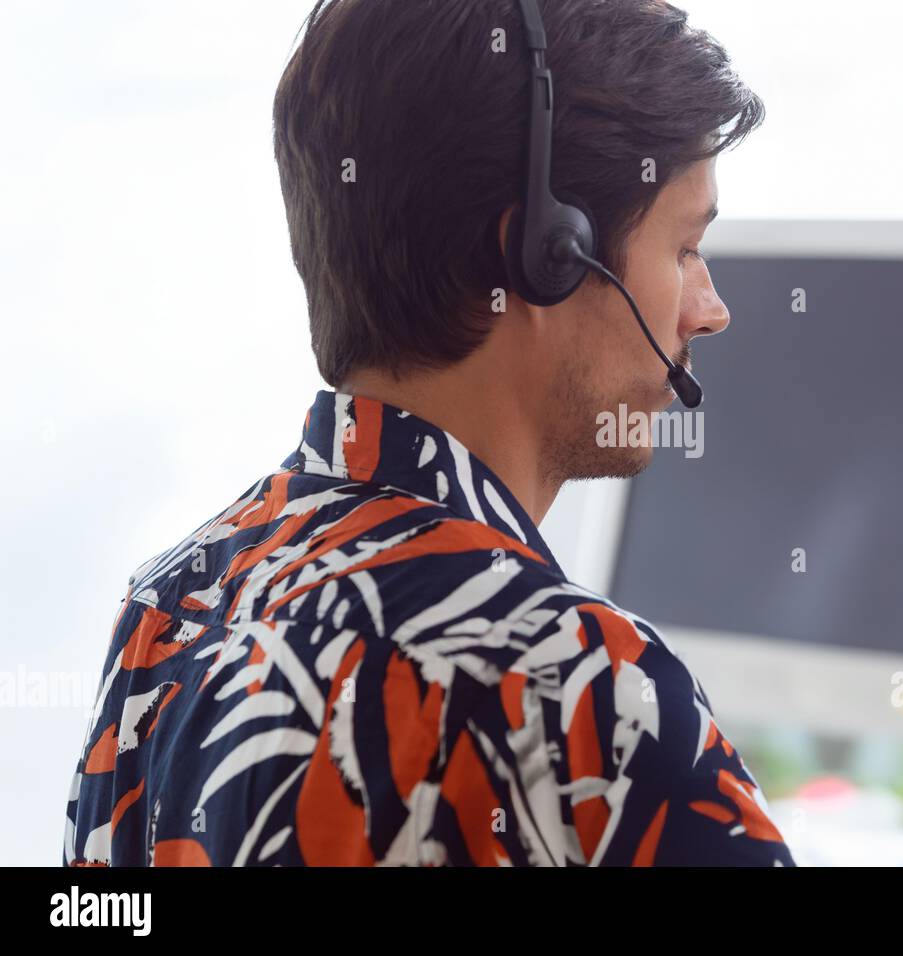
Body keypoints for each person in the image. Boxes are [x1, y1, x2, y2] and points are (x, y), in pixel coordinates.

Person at [62, 0, 793, 867]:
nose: (710, 311)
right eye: (682, 251)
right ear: (547, 257)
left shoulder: (170, 605)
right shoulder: (586, 688)